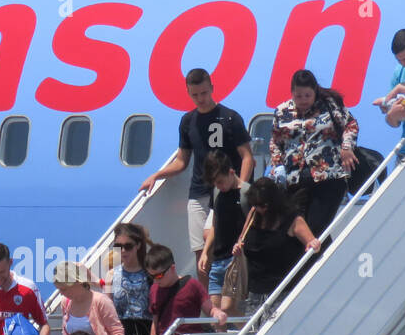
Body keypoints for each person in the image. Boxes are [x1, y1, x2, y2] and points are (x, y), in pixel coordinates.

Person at [138, 68, 253, 288]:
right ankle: (209, 307)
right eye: (195, 95)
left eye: (204, 93)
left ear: (211, 89)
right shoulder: (188, 121)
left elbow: (247, 156)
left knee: (224, 247)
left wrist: (241, 186)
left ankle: (230, 298)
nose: (200, 99)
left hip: (225, 192)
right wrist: (156, 175)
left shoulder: (229, 117)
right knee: (201, 254)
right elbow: (182, 161)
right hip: (198, 192)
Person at [270, 69, 361, 242]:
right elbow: (275, 141)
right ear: (292, 93)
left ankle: (315, 264)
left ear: (315, 92)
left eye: (307, 95)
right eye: (298, 96)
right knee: (297, 231)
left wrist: (347, 147)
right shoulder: (282, 111)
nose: (303, 100)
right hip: (295, 179)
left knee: (315, 228)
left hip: (327, 177)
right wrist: (277, 164)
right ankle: (319, 264)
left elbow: (351, 124)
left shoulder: (329, 106)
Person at [235, 178, 322, 316]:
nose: (258, 209)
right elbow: (242, 239)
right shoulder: (253, 214)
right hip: (255, 293)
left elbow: (313, 244)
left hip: (283, 291)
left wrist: (313, 245)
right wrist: (238, 247)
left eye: (262, 205)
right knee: (253, 334)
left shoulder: (292, 219)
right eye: (255, 204)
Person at [143, 243, 228, 335]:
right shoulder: (154, 289)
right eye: (151, 276)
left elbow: (210, 308)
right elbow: (155, 321)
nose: (156, 280)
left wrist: (217, 313)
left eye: (158, 276)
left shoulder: (192, 285)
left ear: (172, 268)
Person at [199, 150, 250, 318]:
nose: (219, 186)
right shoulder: (217, 193)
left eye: (221, 181)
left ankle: (250, 333)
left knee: (227, 308)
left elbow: (253, 226)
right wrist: (206, 252)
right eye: (215, 183)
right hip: (218, 259)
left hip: (234, 259)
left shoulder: (246, 193)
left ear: (231, 172)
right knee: (215, 313)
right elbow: (215, 224)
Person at [104, 222, 153, 335]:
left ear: (138, 245)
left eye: (128, 246)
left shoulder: (150, 273)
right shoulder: (112, 275)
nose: (123, 251)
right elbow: (108, 312)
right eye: (118, 246)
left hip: (145, 333)